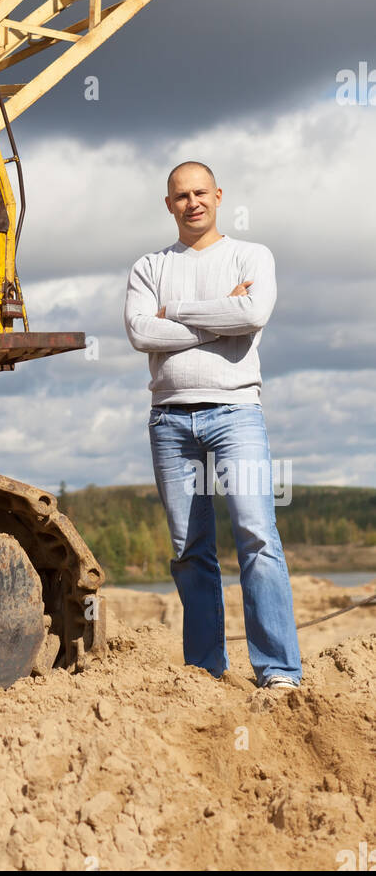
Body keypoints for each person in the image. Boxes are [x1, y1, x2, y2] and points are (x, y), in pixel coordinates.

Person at [123, 160, 301, 690]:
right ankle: (205, 673)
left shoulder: (251, 255)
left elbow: (251, 316)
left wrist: (175, 312)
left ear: (219, 196)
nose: (192, 202)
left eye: (201, 193)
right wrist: (213, 318)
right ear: (168, 204)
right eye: (181, 195)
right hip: (169, 421)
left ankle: (278, 673)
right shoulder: (148, 267)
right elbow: (139, 332)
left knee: (256, 536)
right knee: (188, 550)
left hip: (235, 414)